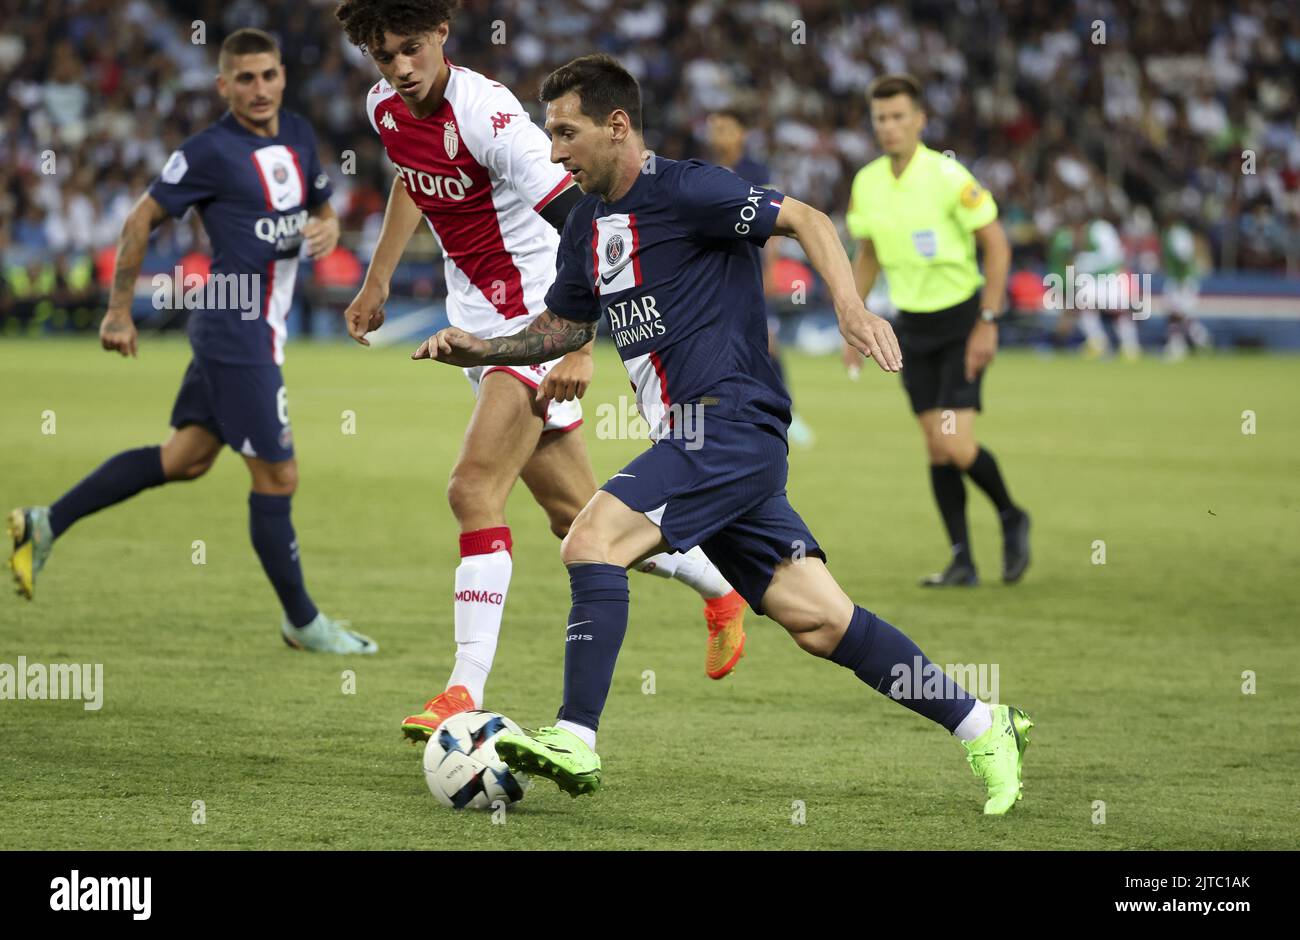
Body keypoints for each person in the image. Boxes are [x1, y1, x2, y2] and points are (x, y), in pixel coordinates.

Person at [413, 54, 1034, 815]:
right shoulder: (584, 226)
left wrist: (849, 308)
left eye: (567, 133)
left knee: (588, 540)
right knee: (819, 619)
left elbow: (804, 218)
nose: (554, 152)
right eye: (549, 135)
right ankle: (986, 723)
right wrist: (486, 348)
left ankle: (575, 736)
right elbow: (564, 326)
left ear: (617, 126)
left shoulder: (688, 190)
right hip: (710, 446)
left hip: (728, 422)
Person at [333, 0, 748, 741]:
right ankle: (720, 588)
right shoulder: (385, 108)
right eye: (382, 56)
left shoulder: (488, 115)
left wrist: (578, 341)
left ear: (440, 37)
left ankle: (463, 690)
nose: (398, 69)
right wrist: (378, 279)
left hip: (534, 319)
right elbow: (410, 179)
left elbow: (585, 218)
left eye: (408, 50)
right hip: (480, 325)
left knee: (471, 490)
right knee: (576, 518)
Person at [6, 29, 373, 654]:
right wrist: (118, 311)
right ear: (223, 84)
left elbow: (320, 206)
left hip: (261, 325)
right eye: (245, 79)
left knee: (185, 459)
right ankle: (303, 621)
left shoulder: (299, 134)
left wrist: (330, 227)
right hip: (236, 327)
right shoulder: (208, 152)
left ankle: (43, 523)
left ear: (283, 76)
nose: (259, 89)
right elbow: (140, 219)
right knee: (279, 477)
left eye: (268, 75)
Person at [845, 74, 1030, 588]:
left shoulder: (949, 176)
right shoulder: (867, 183)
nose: (889, 126)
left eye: (899, 115)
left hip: (961, 321)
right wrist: (852, 321)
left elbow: (998, 247)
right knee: (934, 446)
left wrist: (987, 323)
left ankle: (1013, 515)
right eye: (881, 117)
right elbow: (869, 255)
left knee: (954, 443)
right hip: (911, 328)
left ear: (920, 119)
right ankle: (962, 560)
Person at [706, 107, 814, 447]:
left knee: (766, 340)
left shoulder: (755, 172)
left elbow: (775, 224)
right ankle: (723, 414)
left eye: (724, 127)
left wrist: (771, 269)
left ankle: (787, 411)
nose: (717, 135)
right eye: (714, 129)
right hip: (712, 270)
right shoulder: (703, 171)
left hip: (749, 267)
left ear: (741, 133)